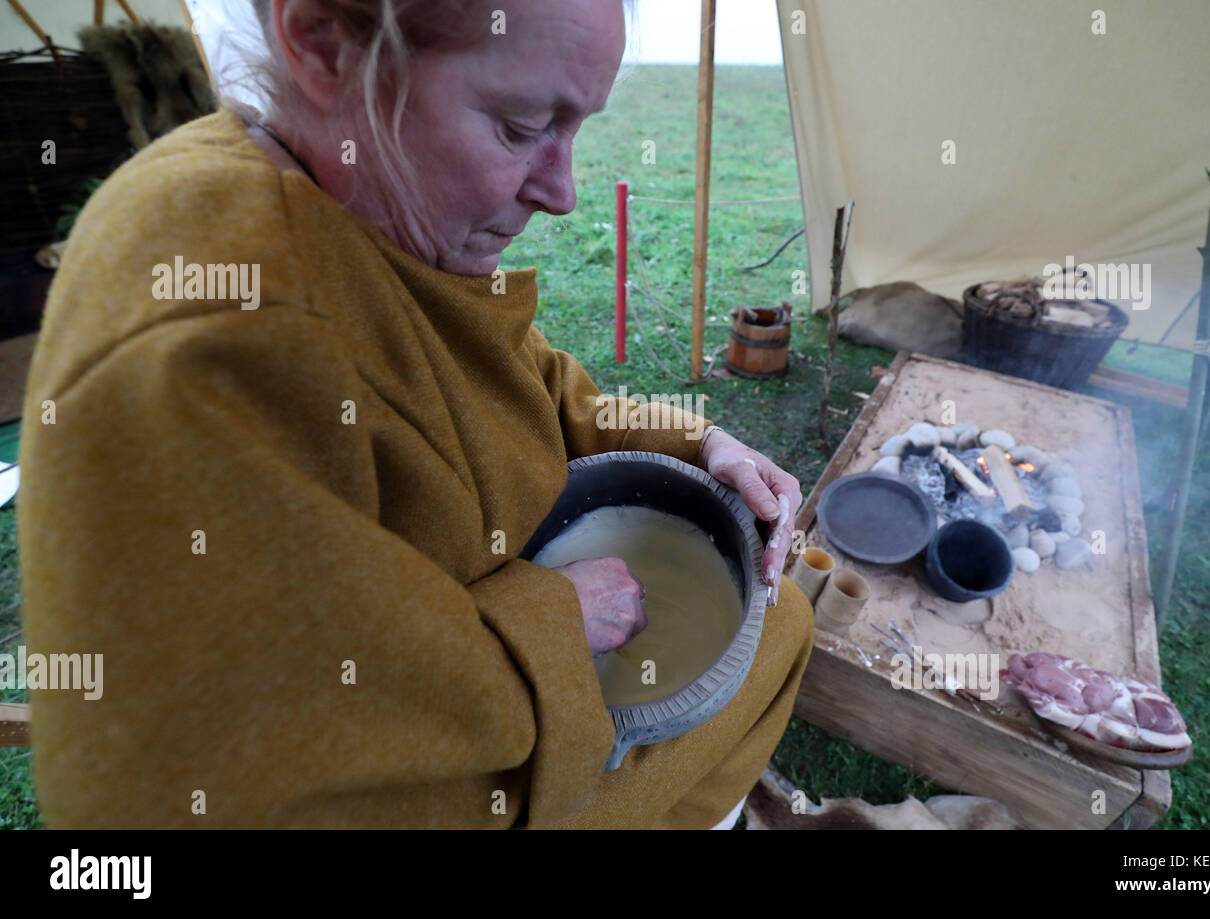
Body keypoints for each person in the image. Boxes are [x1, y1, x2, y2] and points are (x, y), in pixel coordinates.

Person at [17, 0, 814, 828]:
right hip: (484, 780)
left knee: (781, 616)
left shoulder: (371, 214)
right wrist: (551, 626)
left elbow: (525, 382)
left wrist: (700, 439)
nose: (564, 193)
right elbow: (219, 774)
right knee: (782, 628)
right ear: (324, 46)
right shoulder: (206, 335)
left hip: (525, 725)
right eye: (520, 126)